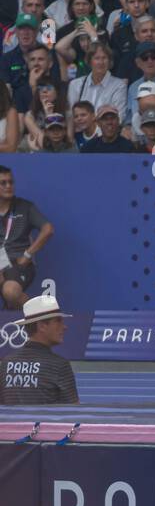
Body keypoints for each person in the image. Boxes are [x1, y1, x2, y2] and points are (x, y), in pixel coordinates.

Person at [0, 295, 77, 405]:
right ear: (42, 326)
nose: (64, 327)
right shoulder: (59, 365)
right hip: (43, 423)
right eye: (58, 321)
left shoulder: (6, 363)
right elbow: (75, 413)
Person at [0, 165, 52, 311]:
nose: (8, 186)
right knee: (10, 305)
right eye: (3, 183)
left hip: (19, 262)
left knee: (10, 292)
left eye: (11, 182)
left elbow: (48, 229)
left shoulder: (25, 207)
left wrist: (28, 254)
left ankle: (43, 317)